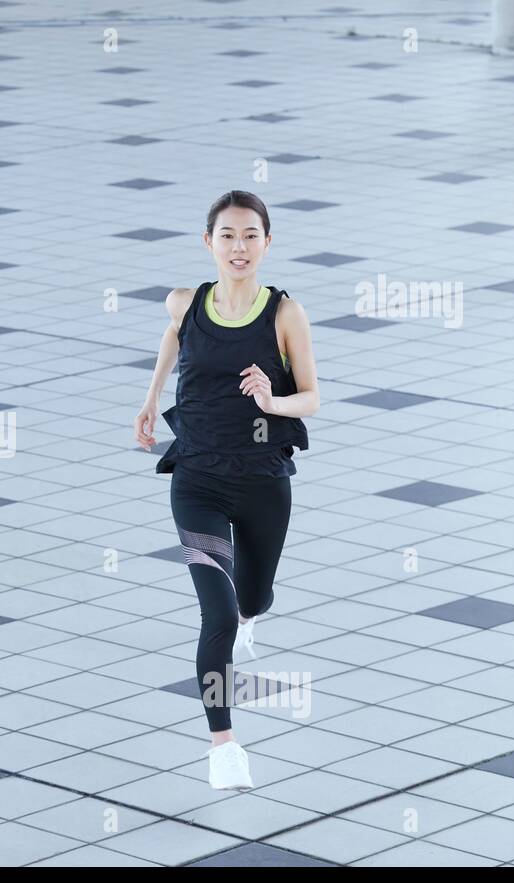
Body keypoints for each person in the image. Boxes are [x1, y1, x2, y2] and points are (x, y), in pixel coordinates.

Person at [133, 190, 321, 790]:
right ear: (207, 242)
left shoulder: (284, 314)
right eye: (227, 236)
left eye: (250, 236)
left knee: (253, 598)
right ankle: (224, 746)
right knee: (215, 612)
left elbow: (313, 397)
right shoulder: (186, 302)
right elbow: (175, 334)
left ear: (267, 243)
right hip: (198, 478)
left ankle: (250, 614)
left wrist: (273, 400)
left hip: (264, 480)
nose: (238, 247)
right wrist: (150, 397)